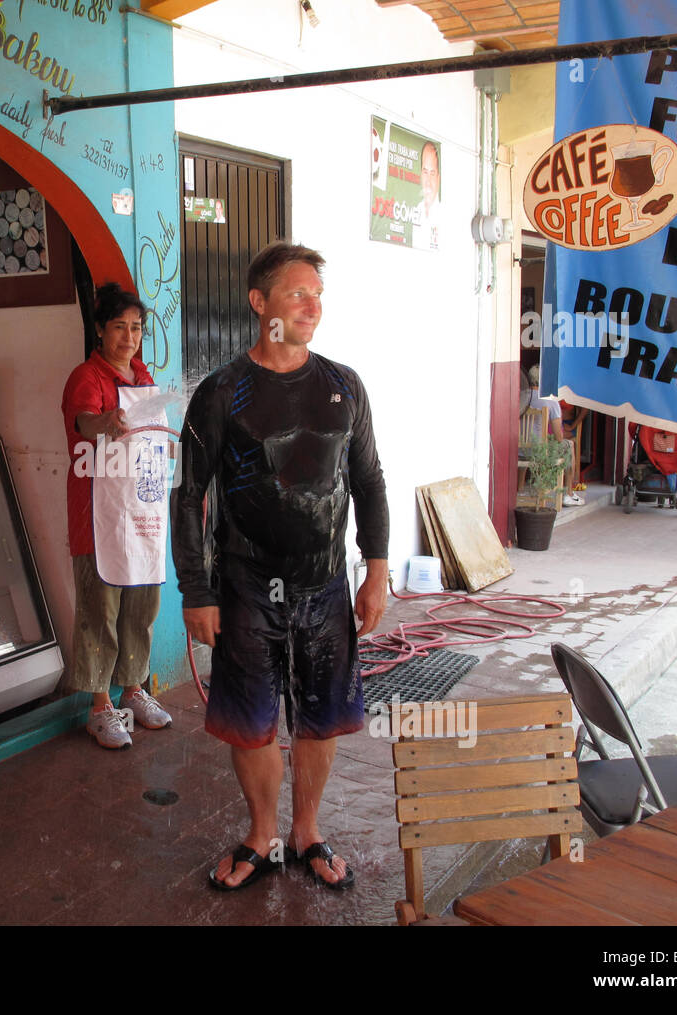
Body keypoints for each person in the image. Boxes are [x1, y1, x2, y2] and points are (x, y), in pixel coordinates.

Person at [171, 242, 389, 891]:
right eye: (297, 292)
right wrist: (195, 588)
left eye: (317, 293)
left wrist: (376, 567)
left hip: (324, 583)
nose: (312, 305)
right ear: (259, 302)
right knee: (252, 719)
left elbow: (370, 479)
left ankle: (307, 831)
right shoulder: (219, 394)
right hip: (243, 585)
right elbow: (188, 496)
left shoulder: (344, 386)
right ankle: (261, 834)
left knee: (321, 714)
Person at [60, 282, 173, 750]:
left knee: (140, 604)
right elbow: (85, 422)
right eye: (120, 328)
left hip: (142, 511)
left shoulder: (141, 373)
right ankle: (100, 707)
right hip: (98, 514)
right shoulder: (87, 378)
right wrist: (105, 423)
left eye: (137, 328)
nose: (129, 338)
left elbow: (152, 427)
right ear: (100, 331)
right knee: (100, 608)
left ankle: (133, 691)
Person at [527, 365, 581, 506]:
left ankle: (520, 488)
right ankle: (568, 493)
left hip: (519, 449)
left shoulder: (520, 396)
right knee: (569, 445)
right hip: (539, 451)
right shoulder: (550, 401)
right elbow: (558, 437)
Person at [412, 141, 443, 251]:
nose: (428, 181)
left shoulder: (444, 214)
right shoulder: (417, 210)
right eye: (425, 172)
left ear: (438, 178)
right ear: (420, 174)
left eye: (432, 173)